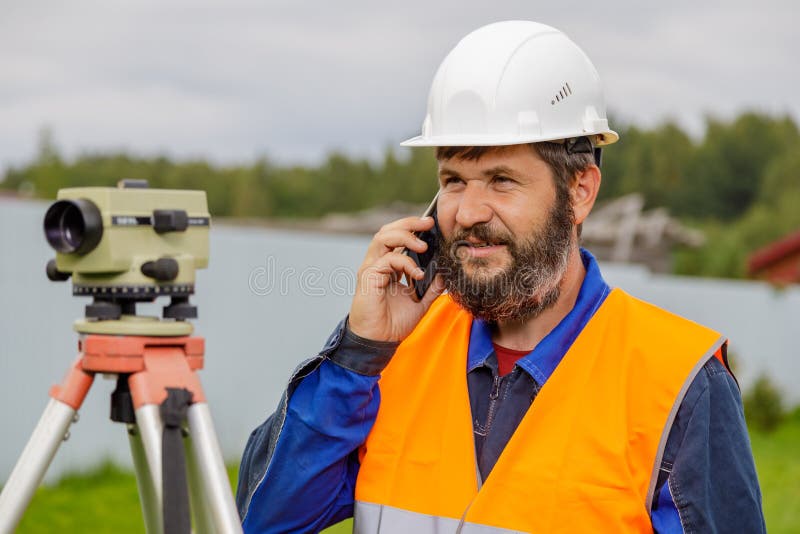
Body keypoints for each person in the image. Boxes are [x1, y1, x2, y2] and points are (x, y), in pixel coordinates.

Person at [236, 21, 765, 533]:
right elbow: (264, 519)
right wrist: (359, 351)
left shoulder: (679, 385)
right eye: (453, 180)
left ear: (580, 191)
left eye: (502, 180)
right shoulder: (390, 357)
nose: (468, 212)